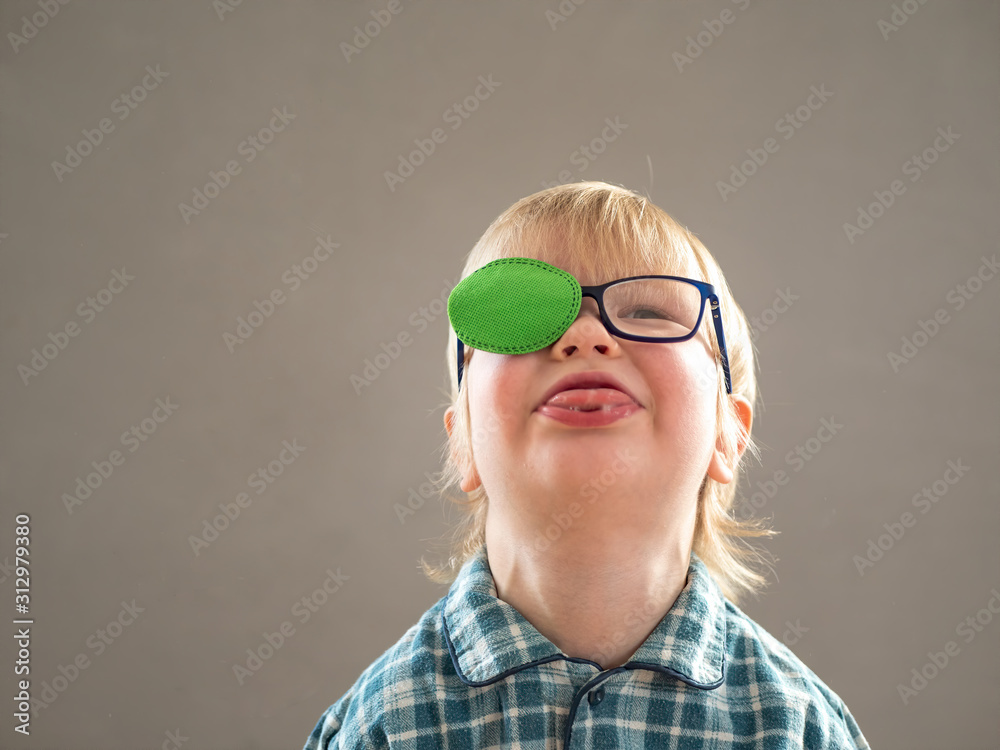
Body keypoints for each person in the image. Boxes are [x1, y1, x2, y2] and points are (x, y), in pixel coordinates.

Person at [303, 182, 871, 749]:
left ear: (728, 433)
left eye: (649, 312)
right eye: (521, 315)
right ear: (464, 443)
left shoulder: (799, 730)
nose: (584, 334)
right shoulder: (376, 730)